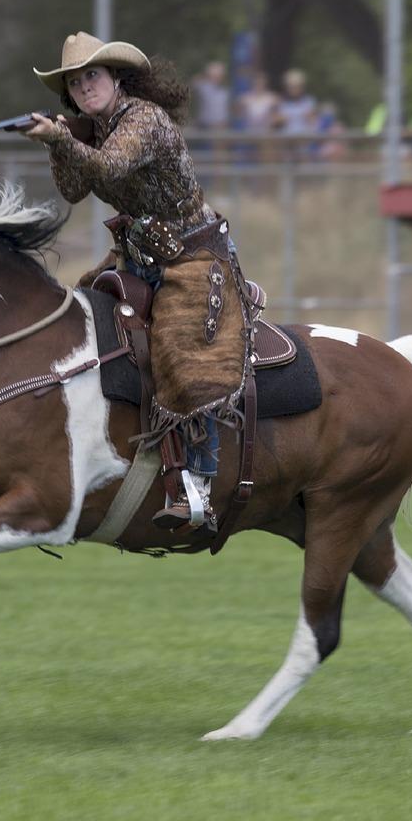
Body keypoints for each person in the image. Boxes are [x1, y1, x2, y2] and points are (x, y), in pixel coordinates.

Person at [22, 31, 242, 531]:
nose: (84, 88)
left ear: (116, 78)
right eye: (74, 84)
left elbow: (109, 166)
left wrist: (61, 138)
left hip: (192, 254)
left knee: (185, 359)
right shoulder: (93, 130)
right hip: (137, 253)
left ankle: (201, 490)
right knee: (79, 316)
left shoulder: (143, 118)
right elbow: (75, 189)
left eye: (91, 77)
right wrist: (63, 142)